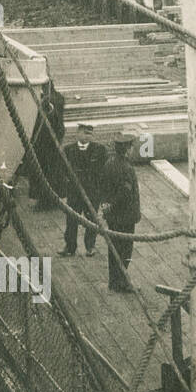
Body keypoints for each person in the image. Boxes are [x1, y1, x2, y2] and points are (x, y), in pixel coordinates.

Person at [101, 134, 141, 292]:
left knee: (113, 249)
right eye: (130, 147)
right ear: (127, 149)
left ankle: (113, 281)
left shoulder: (109, 163)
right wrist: (113, 204)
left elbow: (104, 185)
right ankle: (122, 282)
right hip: (125, 217)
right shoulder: (126, 167)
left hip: (113, 217)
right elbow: (125, 192)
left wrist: (107, 205)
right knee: (125, 251)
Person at [61, 123, 106, 257]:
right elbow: (62, 170)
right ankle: (70, 247)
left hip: (91, 192)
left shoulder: (99, 150)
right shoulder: (68, 150)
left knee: (91, 220)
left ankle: (90, 246)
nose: (87, 136)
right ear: (77, 133)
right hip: (74, 192)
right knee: (71, 220)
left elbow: (102, 171)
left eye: (90, 134)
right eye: (84, 133)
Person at [30, 81, 66, 209]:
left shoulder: (53, 100)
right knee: (47, 172)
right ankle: (47, 199)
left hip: (48, 141)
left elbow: (53, 116)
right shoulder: (56, 98)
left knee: (46, 172)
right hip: (47, 140)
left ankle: (47, 200)